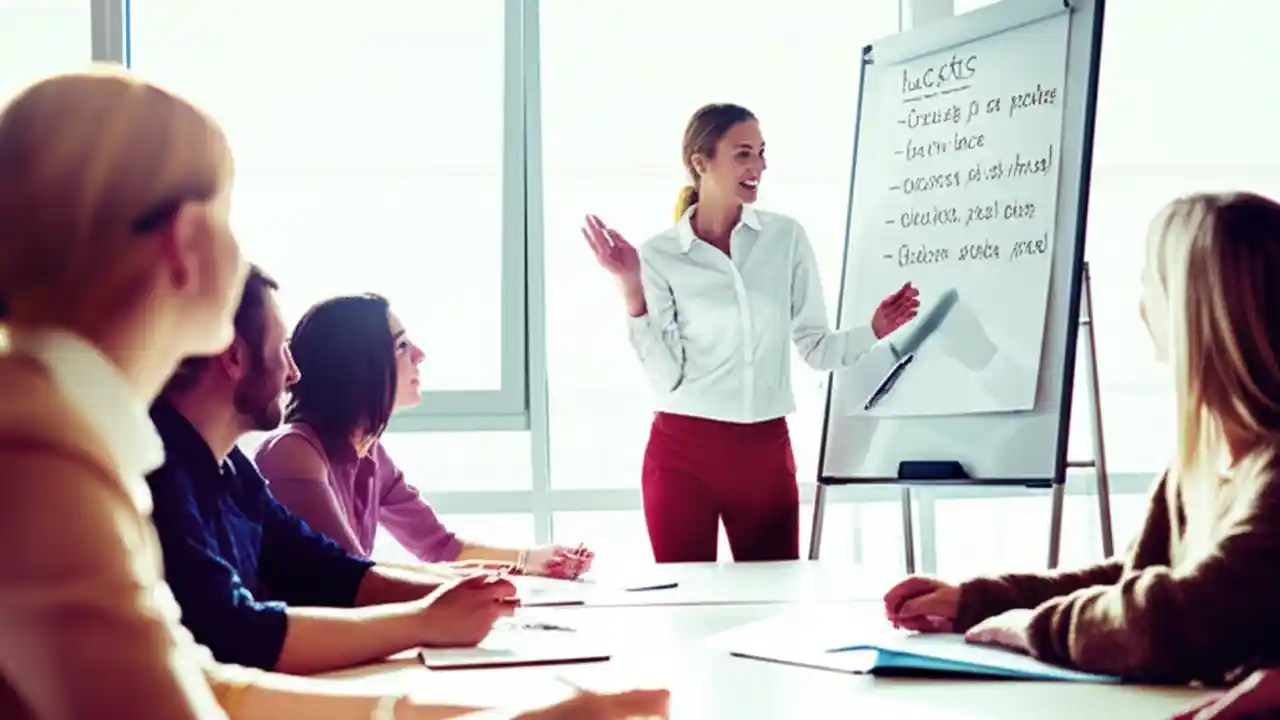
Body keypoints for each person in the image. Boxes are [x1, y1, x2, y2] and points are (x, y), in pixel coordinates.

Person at [0, 67, 666, 720]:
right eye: (229, 216)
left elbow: (205, 683)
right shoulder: (39, 451)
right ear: (187, 240)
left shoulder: (64, 423)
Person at [882, 191, 1280, 684]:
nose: (1140, 309)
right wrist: (979, 601)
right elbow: (1130, 577)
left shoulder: (1273, 474)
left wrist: (1037, 628)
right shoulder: (1202, 463)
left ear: (1195, 312)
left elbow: (1179, 617)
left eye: (1150, 286)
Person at [581, 102, 920, 563]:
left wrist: (873, 331)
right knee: (685, 604)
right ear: (701, 163)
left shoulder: (786, 238)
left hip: (763, 454)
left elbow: (816, 349)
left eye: (761, 153)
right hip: (681, 454)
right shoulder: (659, 256)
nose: (758, 166)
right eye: (744, 153)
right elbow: (665, 378)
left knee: (773, 603)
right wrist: (631, 289)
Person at [149, 264, 525, 674]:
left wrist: (463, 595)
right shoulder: (158, 471)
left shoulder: (232, 468)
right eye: (282, 351)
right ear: (235, 356)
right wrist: (424, 621)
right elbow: (233, 632)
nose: (292, 373)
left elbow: (324, 568)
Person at [253, 294, 594, 578]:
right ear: (358, 366)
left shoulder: (370, 454)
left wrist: (534, 560)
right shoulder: (293, 451)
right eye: (401, 346)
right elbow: (353, 574)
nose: (419, 355)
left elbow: (438, 547)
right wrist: (477, 580)